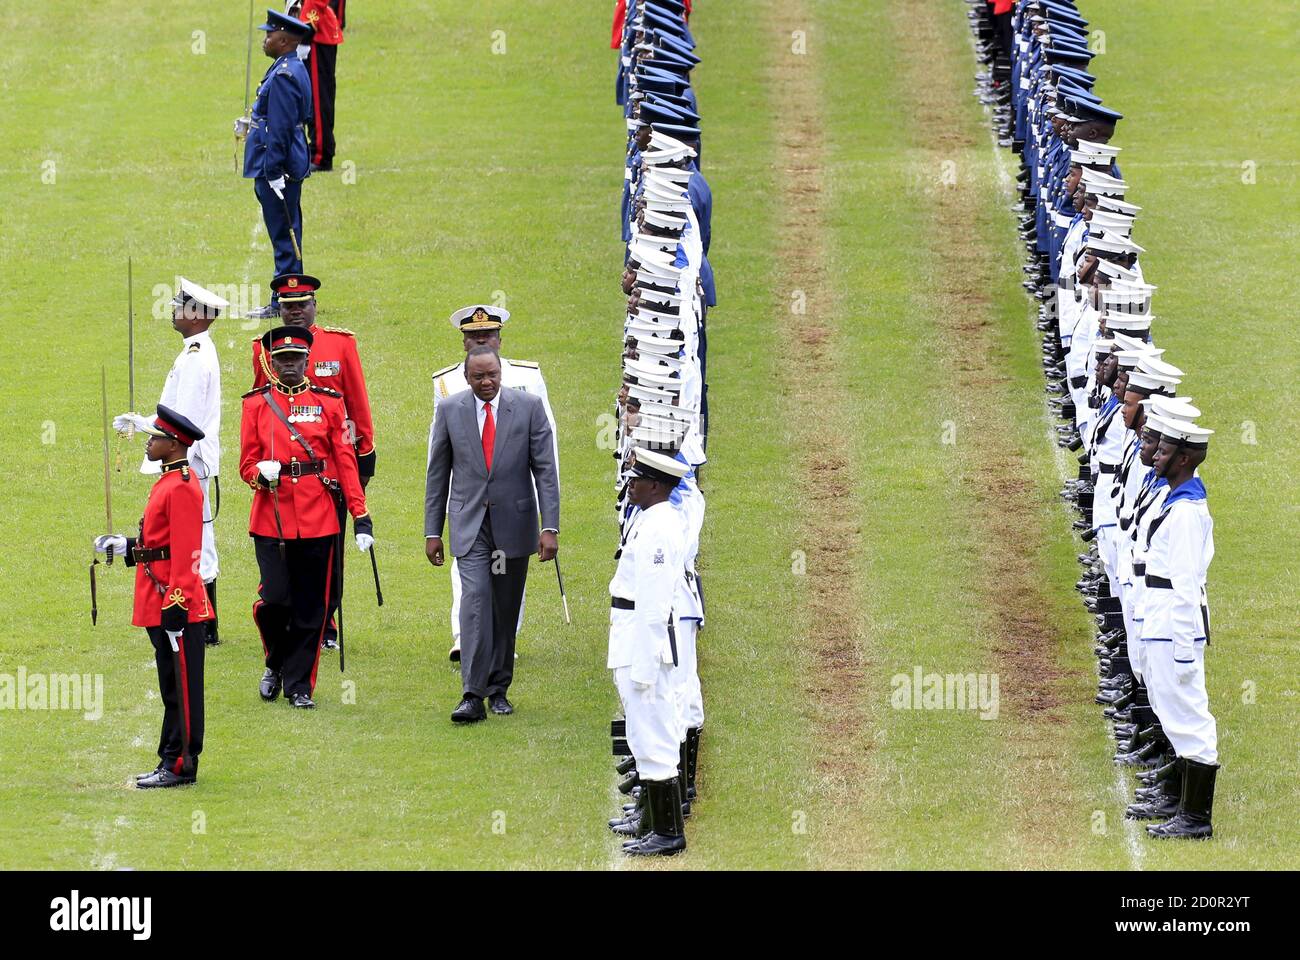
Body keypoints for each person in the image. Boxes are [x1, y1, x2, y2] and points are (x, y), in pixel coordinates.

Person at [239, 325, 372, 709]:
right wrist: (257, 475)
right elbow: (246, 462)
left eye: (296, 359)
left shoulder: (330, 402)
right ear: (271, 364)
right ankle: (275, 663)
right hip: (271, 515)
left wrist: (360, 515)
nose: (290, 366)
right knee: (275, 601)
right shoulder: (256, 404)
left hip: (319, 517)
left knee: (312, 606)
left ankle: (299, 685)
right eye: (282, 360)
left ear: (307, 360)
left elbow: (346, 462)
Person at [424, 347, 560, 723]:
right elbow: (438, 475)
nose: (486, 383)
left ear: (501, 374)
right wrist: (432, 531)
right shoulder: (450, 411)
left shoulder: (529, 408)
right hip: (470, 528)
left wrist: (549, 527)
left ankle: (499, 689)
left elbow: (545, 471)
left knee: (503, 607)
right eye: (478, 377)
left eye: (492, 376)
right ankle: (472, 693)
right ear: (466, 378)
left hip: (513, 527)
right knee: (475, 601)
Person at [252, 273, 376, 649]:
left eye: (301, 305)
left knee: (329, 547)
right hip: (282, 472)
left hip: (333, 467)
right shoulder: (264, 348)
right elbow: (262, 406)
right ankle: (293, 615)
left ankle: (327, 618)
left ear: (314, 306)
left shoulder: (340, 345)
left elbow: (356, 401)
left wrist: (365, 455)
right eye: (287, 307)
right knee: (285, 547)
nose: (295, 312)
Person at [94, 406, 212, 788]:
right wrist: (124, 545)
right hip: (159, 596)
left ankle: (180, 764)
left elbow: (187, 551)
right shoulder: (167, 480)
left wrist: (177, 606)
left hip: (176, 604)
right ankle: (169, 757)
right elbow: (157, 543)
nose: (148, 441)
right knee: (169, 685)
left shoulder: (182, 485)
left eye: (155, 436)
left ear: (175, 444)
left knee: (181, 688)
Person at [114, 279, 227, 646]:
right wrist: (142, 421)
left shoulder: (196, 357)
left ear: (196, 316)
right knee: (196, 536)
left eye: (180, 305)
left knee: (197, 539)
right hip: (187, 455)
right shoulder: (193, 350)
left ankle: (204, 621)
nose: (173, 310)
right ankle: (204, 617)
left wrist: (142, 424)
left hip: (189, 459)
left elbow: (184, 422)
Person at [606, 446, 689, 856]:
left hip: (644, 644)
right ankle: (657, 825)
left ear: (655, 485)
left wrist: (642, 666)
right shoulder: (653, 519)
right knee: (645, 734)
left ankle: (668, 833)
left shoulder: (658, 528)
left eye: (636, 479)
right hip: (633, 637)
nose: (630, 485)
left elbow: (654, 604)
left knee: (653, 737)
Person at [1138, 412, 1218, 839]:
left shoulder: (1186, 512)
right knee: (1173, 713)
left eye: (1165, 451)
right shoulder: (1176, 501)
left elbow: (1186, 584)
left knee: (1189, 717)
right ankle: (1182, 807)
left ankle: (1196, 818)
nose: (1155, 457)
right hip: (1161, 620)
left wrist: (1185, 648)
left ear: (1185, 459)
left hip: (1174, 625)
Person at [240, 10, 314, 320]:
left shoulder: (284, 74)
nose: (264, 39)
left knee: (285, 235)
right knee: (286, 232)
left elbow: (281, 129)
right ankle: (290, 295)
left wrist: (273, 171)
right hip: (280, 164)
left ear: (283, 41)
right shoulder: (286, 66)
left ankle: (286, 299)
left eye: (269, 35)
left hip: (277, 167)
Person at [286, 1, 344, 172]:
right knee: (306, 96)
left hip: (315, 35)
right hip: (303, 28)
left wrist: (306, 25)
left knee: (318, 100)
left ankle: (321, 154)